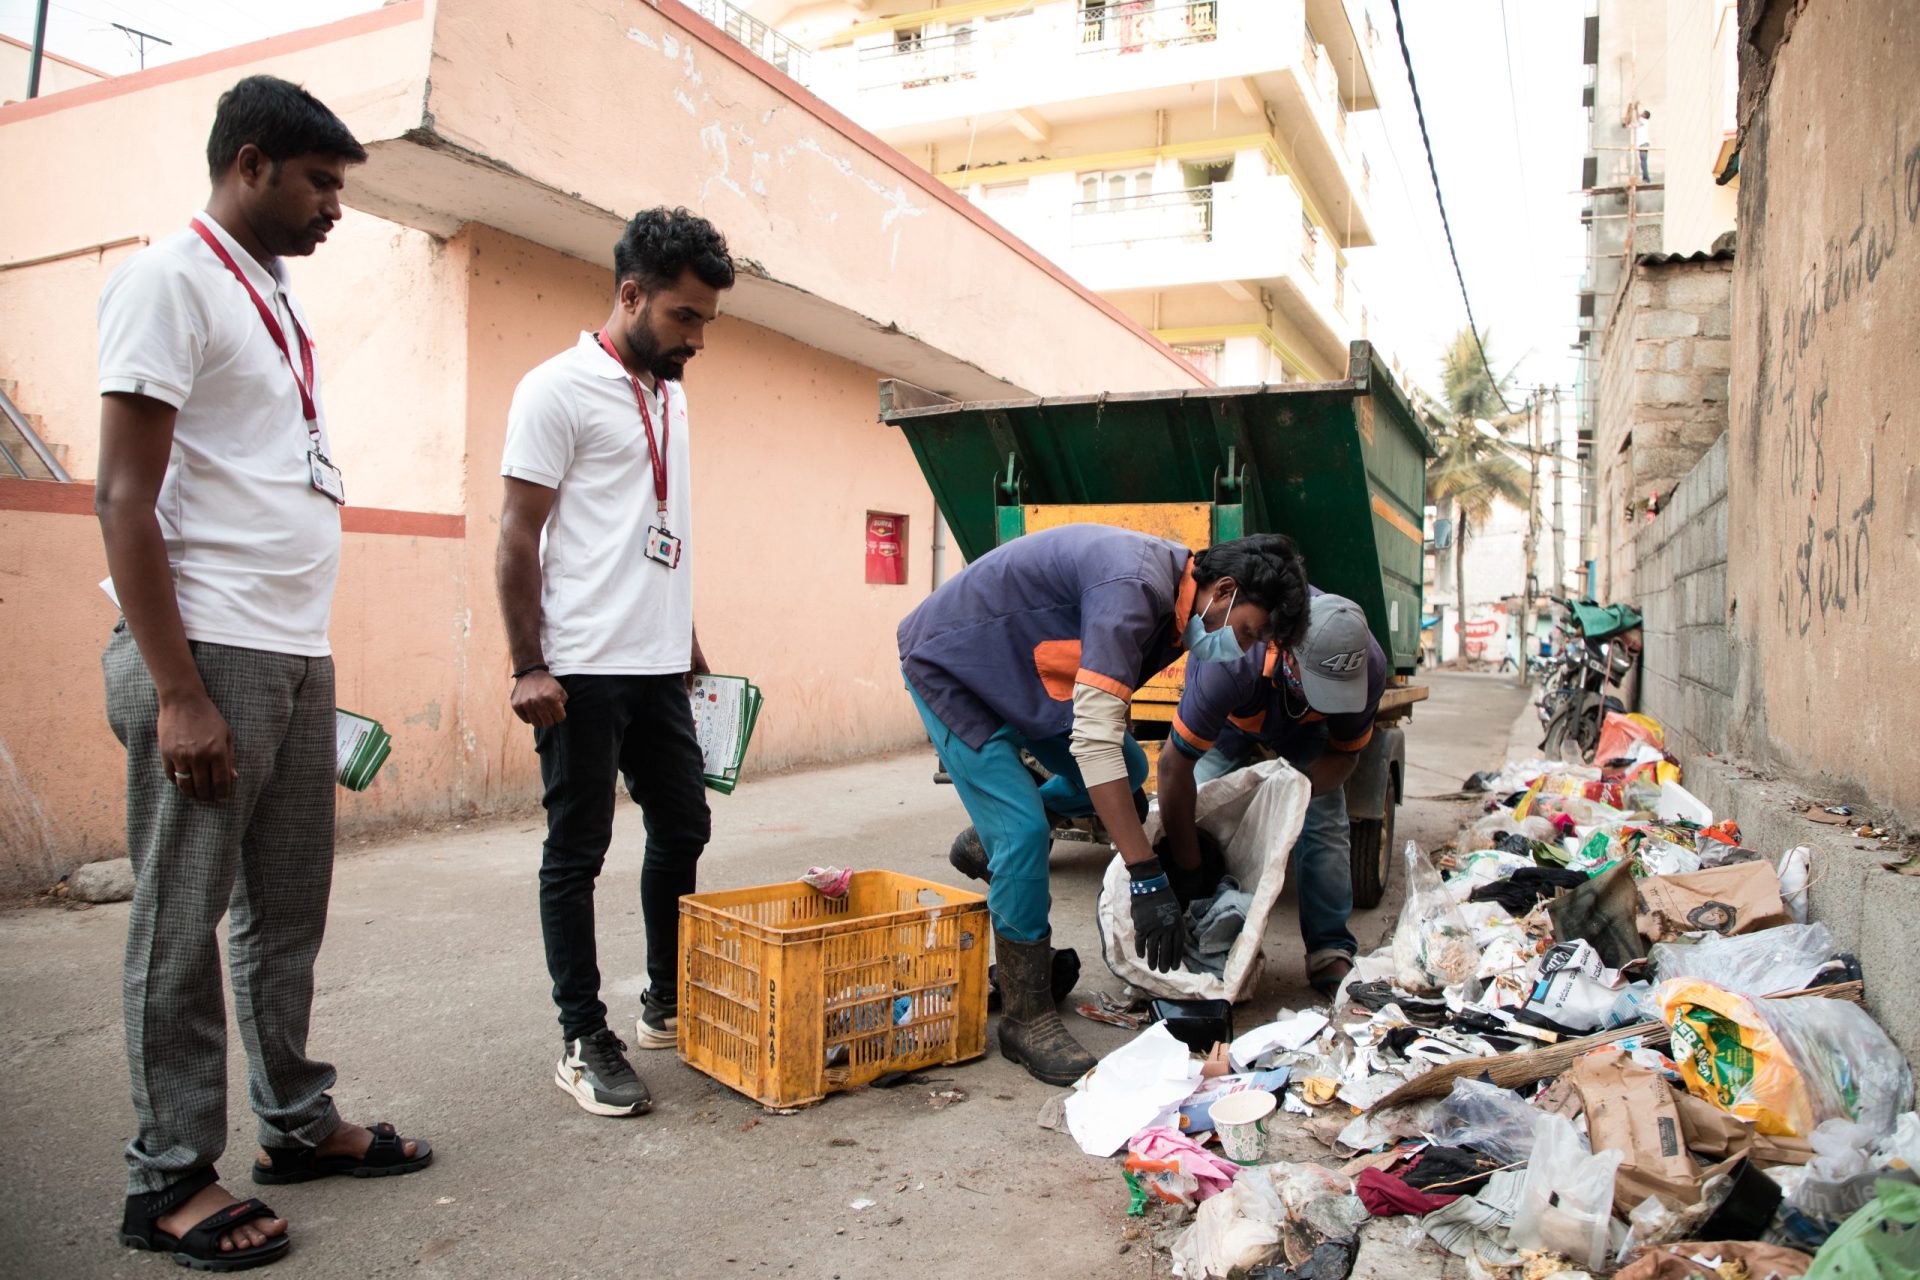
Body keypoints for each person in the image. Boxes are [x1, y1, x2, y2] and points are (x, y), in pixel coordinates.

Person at [96, 75, 431, 1272]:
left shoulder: (274, 293)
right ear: (250, 163)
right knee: (182, 922)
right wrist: (180, 690)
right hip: (207, 651)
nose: (336, 206)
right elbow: (122, 496)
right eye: (320, 183)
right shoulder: (169, 281)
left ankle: (295, 1119)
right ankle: (170, 1174)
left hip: (290, 648)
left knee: (286, 908)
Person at [902, 526, 1311, 1084]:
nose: (1241, 648)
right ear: (1224, 590)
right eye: (1246, 631)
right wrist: (1146, 877)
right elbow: (1094, 746)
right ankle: (1025, 1017)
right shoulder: (1134, 590)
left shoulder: (1177, 603)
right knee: (1022, 834)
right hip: (952, 666)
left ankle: (992, 843)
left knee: (1131, 773)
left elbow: (1104, 731)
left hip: (1018, 670)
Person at [496, 207, 734, 1117]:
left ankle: (665, 999)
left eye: (706, 320)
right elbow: (517, 534)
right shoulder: (554, 390)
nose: (697, 338)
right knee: (578, 850)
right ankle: (581, 1035)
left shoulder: (671, 392)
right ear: (631, 294)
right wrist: (528, 664)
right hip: (580, 668)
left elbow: (652, 529)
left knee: (684, 826)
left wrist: (687, 637)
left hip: (658, 662)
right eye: (684, 317)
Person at [1155, 593, 1387, 1001]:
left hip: (1307, 733)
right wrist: (1190, 869)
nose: (1326, 696)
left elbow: (1344, 755)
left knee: (1324, 819)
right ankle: (1193, 931)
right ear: (1287, 650)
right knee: (1195, 810)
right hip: (1230, 721)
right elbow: (1175, 767)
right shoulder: (1230, 655)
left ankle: (1329, 949)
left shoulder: (1368, 668)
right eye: (1319, 685)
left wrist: (1294, 790)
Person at [1635, 109, 1652, 182]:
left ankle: (1646, 179)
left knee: (1643, 161)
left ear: (1645, 116)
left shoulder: (1644, 121)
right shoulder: (1642, 123)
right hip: (1642, 144)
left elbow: (1637, 117)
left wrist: (1636, 108)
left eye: (1643, 113)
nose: (1641, 113)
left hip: (1643, 144)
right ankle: (1645, 178)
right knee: (1643, 161)